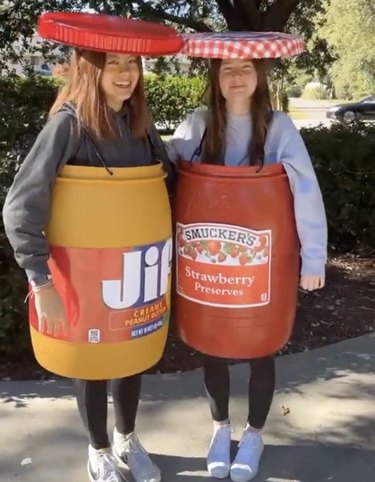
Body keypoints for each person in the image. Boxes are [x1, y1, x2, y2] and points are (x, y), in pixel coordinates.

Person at [3, 48, 173, 482]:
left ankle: (127, 438)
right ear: (90, 70)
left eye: (132, 63)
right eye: (113, 63)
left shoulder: (141, 125)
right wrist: (40, 283)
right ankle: (98, 449)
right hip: (83, 268)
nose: (125, 73)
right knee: (92, 360)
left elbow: (168, 178)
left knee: (130, 353)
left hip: (136, 265)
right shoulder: (69, 124)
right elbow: (21, 207)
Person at [166, 58, 327, 482]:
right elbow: (163, 164)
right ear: (215, 79)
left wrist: (314, 257)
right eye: (226, 69)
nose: (236, 77)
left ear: (260, 77)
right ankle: (220, 429)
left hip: (262, 259)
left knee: (261, 347)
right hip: (209, 257)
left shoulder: (279, 128)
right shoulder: (197, 125)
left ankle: (254, 433)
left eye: (245, 69)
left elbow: (305, 190)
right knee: (211, 345)